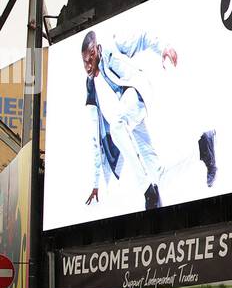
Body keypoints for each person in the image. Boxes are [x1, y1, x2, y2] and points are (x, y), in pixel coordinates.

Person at [81, 28, 217, 211]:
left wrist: (164, 47)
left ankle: (147, 191)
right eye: (84, 62)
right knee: (158, 177)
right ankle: (203, 148)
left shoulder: (112, 45)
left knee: (117, 127)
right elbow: (96, 135)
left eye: (89, 60)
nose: (87, 67)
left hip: (138, 92)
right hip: (131, 109)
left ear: (95, 51)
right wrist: (96, 184)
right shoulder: (93, 81)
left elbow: (142, 38)